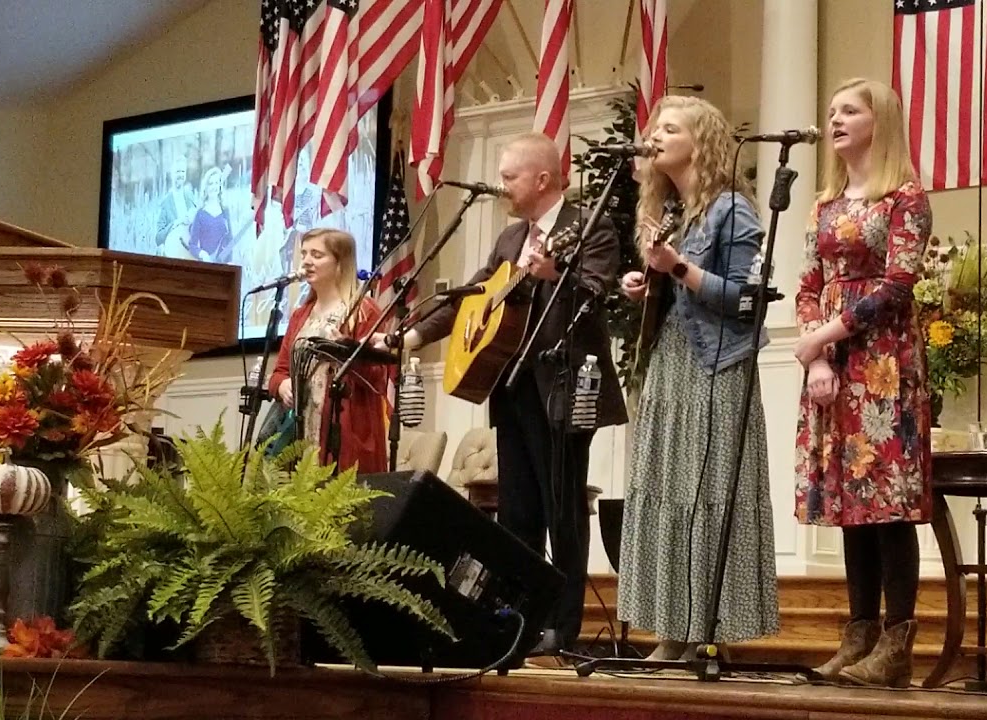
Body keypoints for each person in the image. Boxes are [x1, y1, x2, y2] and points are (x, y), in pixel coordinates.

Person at [390, 132, 628, 658]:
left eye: (510, 177)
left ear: (543, 179)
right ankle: (521, 624)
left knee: (563, 511)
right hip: (513, 387)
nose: (502, 187)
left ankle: (564, 631)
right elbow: (469, 298)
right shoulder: (509, 239)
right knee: (519, 514)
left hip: (565, 388)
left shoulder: (589, 227)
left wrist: (555, 273)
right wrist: (416, 335)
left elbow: (594, 292)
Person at [616, 96, 781, 661]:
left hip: (717, 363)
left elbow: (745, 302)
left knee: (708, 492)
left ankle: (710, 630)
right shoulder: (669, 214)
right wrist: (646, 285)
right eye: (654, 127)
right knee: (668, 490)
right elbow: (674, 292)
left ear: (700, 142)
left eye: (670, 128)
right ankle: (672, 627)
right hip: (672, 362)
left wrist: (678, 269)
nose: (654, 135)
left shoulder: (732, 210)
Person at [793, 77, 933, 688]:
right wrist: (818, 358)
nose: (836, 119)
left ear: (882, 121)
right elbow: (806, 286)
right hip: (834, 367)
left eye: (850, 110)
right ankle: (859, 634)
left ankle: (897, 642)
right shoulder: (824, 204)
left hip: (883, 364)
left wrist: (827, 335)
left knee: (886, 505)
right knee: (851, 506)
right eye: (831, 111)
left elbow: (898, 286)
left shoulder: (905, 197)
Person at [268, 228, 388, 474]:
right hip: (301, 430)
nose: (307, 261)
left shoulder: (363, 311)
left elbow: (378, 377)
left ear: (339, 263)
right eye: (304, 254)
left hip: (345, 431)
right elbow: (279, 372)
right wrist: (282, 385)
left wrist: (347, 351)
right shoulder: (301, 315)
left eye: (317, 255)